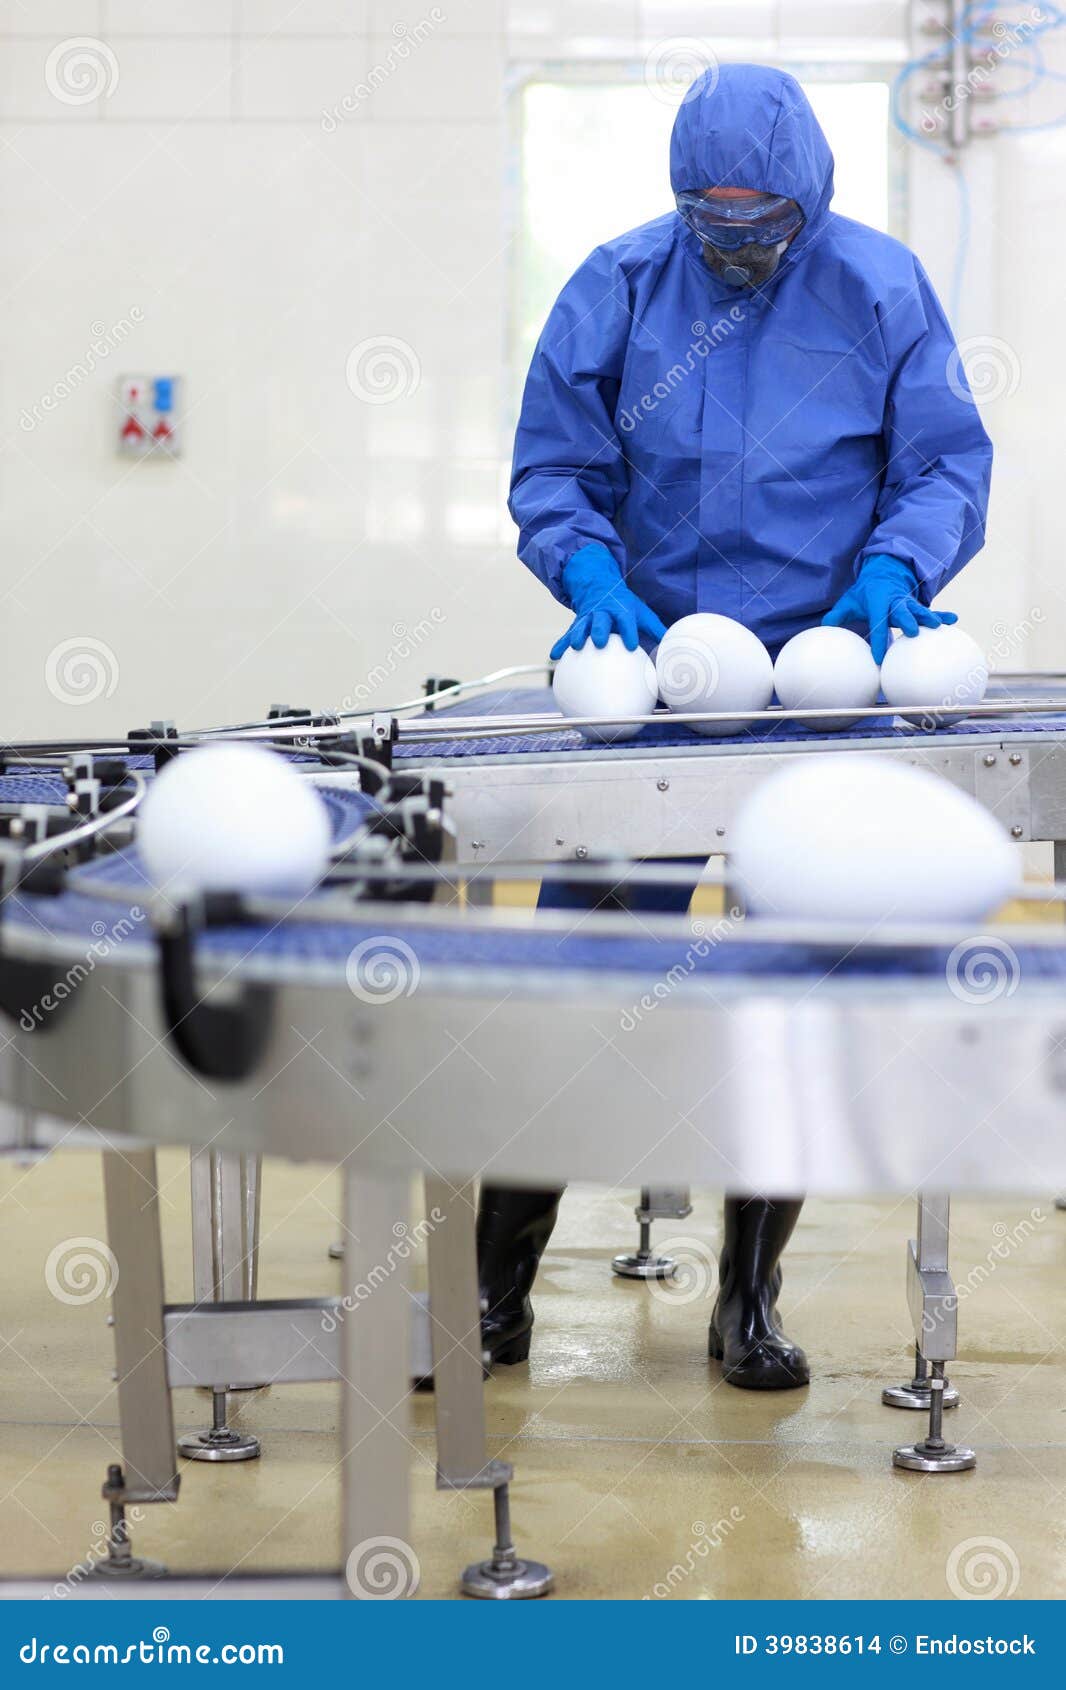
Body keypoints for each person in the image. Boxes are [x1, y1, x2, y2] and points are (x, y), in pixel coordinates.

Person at [478, 64, 992, 1392]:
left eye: (759, 226)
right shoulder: (620, 284)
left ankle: (746, 1298)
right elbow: (555, 465)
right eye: (713, 227)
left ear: (805, 201)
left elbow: (941, 461)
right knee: (569, 983)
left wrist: (896, 572)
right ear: (678, 209)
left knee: (786, 996)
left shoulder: (875, 288)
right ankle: (495, 1294)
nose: (737, 248)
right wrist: (586, 573)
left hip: (810, 684)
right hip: (650, 684)